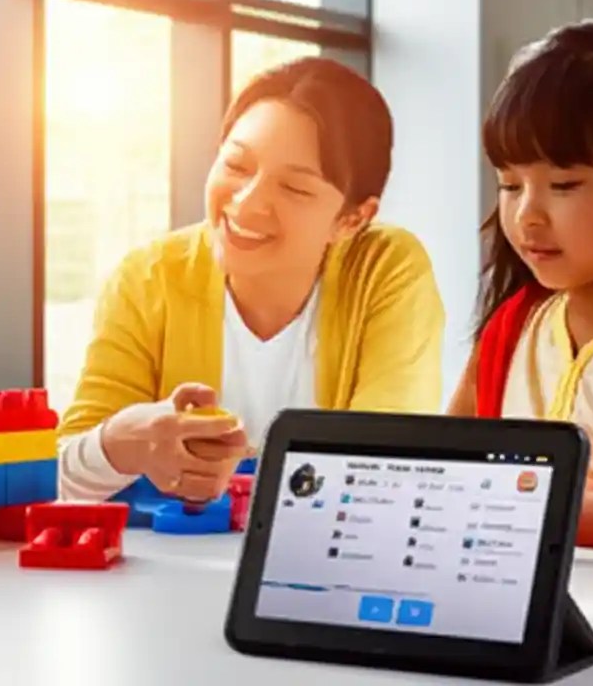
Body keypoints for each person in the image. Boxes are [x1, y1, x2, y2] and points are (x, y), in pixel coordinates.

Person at [58, 57, 445, 505]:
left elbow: (389, 468)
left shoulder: (384, 268)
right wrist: (117, 445)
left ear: (352, 219)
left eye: (295, 188)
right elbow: (56, 480)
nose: (246, 203)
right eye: (236, 165)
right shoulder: (149, 279)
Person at [448, 9, 593, 555]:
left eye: (564, 185)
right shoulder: (512, 328)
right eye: (510, 185)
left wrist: (533, 504)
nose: (526, 216)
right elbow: (448, 465)